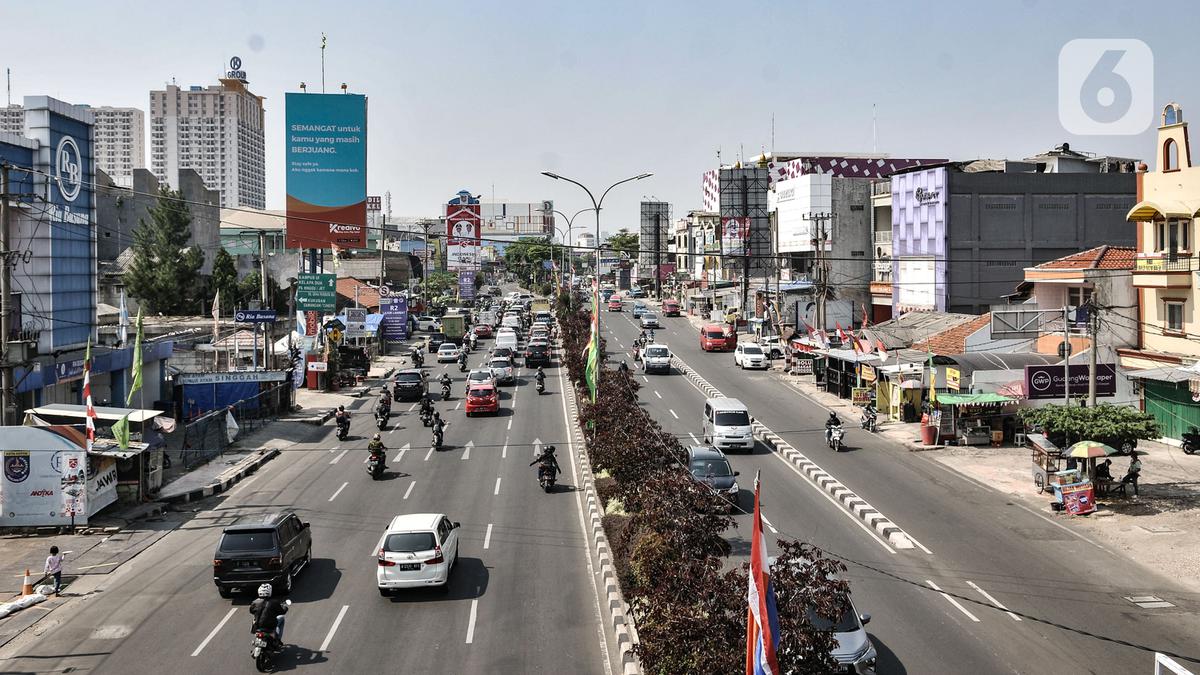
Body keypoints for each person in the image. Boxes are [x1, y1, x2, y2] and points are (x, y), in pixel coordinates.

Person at [249, 583, 289, 649]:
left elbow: (251, 611)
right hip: (269, 626)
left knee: (254, 619)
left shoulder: (255, 602)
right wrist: (285, 608)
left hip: (257, 626)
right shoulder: (274, 602)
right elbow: (282, 611)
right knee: (282, 618)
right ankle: (278, 640)